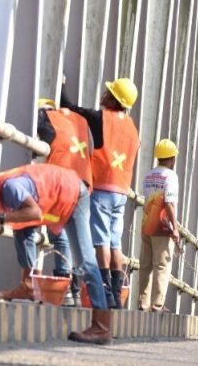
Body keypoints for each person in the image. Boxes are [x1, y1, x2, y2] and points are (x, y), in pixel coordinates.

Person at [0, 162, 111, 344]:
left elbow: (34, 212)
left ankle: (101, 327)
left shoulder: (8, 187)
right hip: (60, 194)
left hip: (74, 194)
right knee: (21, 228)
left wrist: (0, 217)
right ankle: (28, 286)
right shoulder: (1, 188)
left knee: (85, 261)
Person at [0, 99, 92, 305]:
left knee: (26, 224)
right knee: (62, 234)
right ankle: (68, 288)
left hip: (58, 185)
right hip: (82, 184)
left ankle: (29, 283)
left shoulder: (47, 120)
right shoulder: (77, 121)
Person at [60, 78, 140, 309]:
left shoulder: (101, 119)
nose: (104, 93)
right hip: (122, 191)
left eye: (108, 92)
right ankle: (116, 294)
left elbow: (70, 107)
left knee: (101, 240)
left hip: (103, 187)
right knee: (116, 244)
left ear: (114, 99)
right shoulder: (132, 128)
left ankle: (105, 290)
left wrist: (63, 83)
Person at [137, 138, 182, 312]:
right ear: (172, 159)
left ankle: (143, 302)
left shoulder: (149, 174)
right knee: (162, 265)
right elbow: (169, 203)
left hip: (146, 224)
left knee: (146, 264)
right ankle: (157, 304)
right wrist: (175, 228)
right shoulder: (170, 176)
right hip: (162, 227)